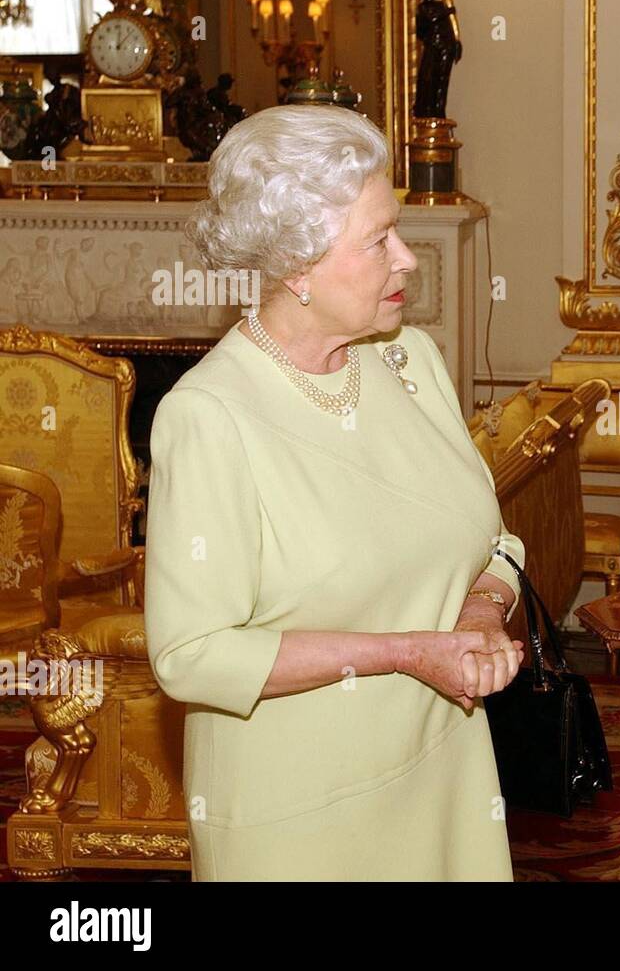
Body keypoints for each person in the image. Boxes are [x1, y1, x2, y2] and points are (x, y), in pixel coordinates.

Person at [145, 104, 525, 880]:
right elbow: (191, 655)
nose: (408, 260)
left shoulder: (408, 360)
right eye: (376, 240)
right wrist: (411, 653)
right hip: (300, 814)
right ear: (295, 266)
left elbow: (492, 541)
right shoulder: (209, 415)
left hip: (445, 774)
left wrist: (481, 608)